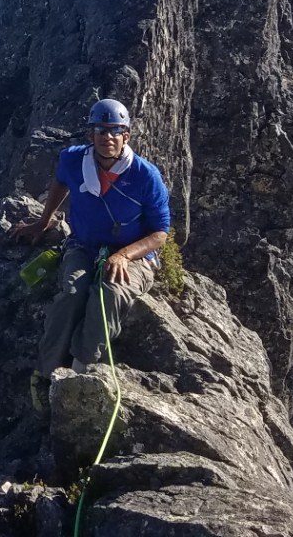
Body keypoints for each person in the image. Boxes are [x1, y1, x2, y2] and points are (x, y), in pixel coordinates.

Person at [11, 98, 172, 412]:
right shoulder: (74, 160)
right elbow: (61, 182)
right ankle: (46, 373)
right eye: (101, 130)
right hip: (84, 246)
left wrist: (124, 255)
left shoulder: (145, 176)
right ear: (91, 134)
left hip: (134, 255)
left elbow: (160, 233)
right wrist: (43, 222)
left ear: (126, 136)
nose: (107, 136)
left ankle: (80, 369)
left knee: (109, 293)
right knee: (72, 292)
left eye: (115, 131)